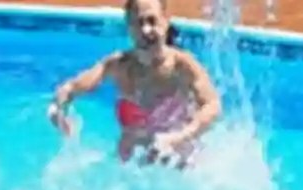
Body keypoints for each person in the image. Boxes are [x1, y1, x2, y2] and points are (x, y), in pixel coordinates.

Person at [46, 0, 222, 168]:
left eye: (152, 21)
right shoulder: (119, 66)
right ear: (129, 29)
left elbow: (213, 106)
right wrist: (58, 107)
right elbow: (73, 87)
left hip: (179, 163)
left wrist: (176, 138)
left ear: (165, 21)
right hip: (128, 169)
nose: (145, 30)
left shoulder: (182, 66)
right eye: (138, 23)